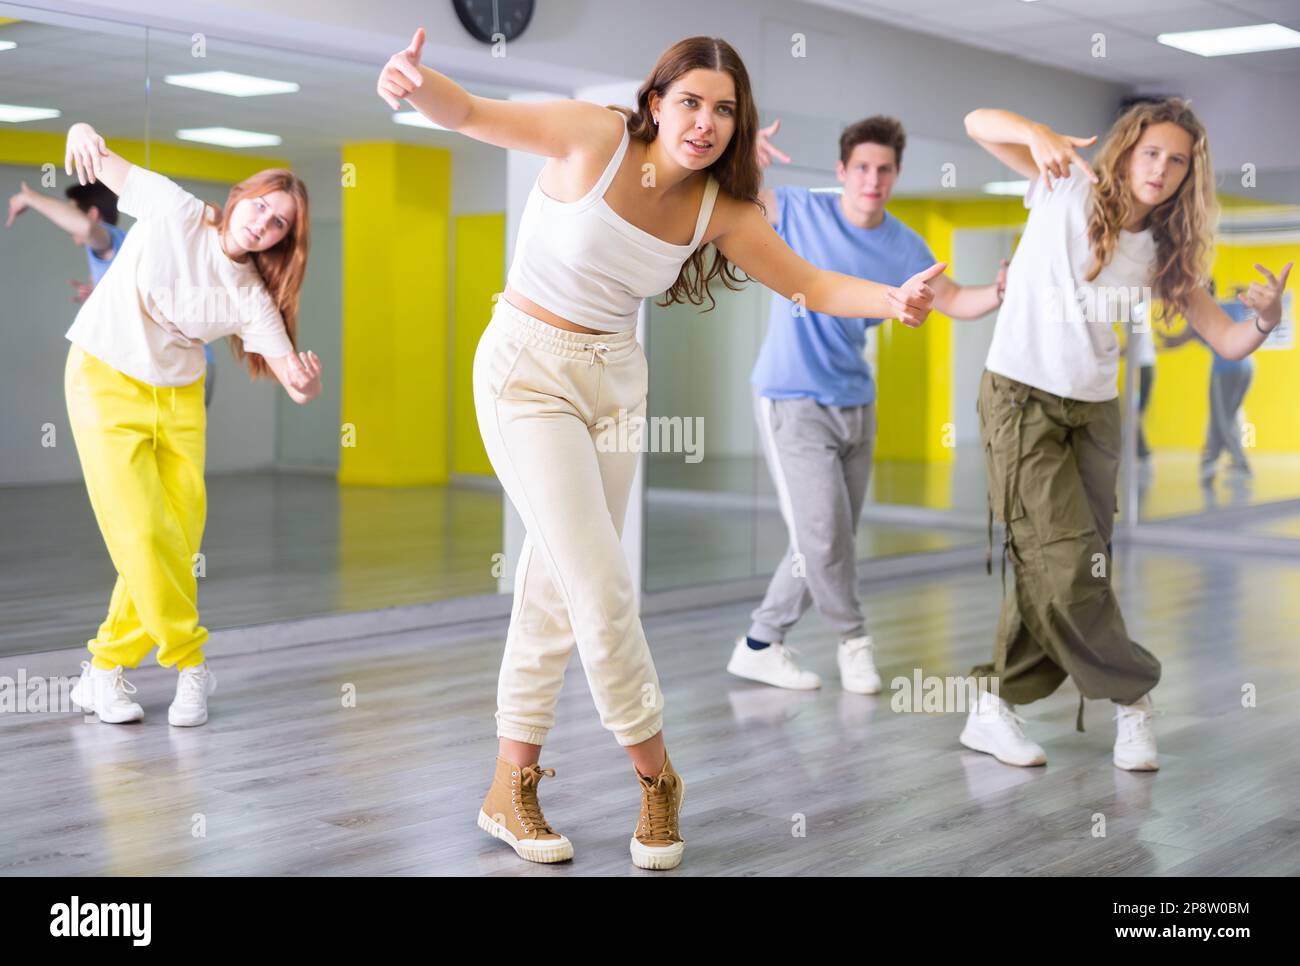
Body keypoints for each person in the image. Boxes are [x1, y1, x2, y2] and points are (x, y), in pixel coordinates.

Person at [377, 29, 944, 869]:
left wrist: (890, 298)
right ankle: (659, 776)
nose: (706, 121)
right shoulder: (591, 138)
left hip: (616, 382)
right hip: (526, 372)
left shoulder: (723, 210)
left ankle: (510, 786)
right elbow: (469, 112)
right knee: (601, 583)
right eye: (690, 101)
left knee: (556, 582)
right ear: (654, 102)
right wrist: (414, 83)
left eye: (724, 109)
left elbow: (811, 284)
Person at [959, 99, 1290, 771]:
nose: (1161, 169)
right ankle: (1133, 704)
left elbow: (1227, 339)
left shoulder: (1167, 250)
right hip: (1021, 398)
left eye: (1176, 161)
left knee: (1053, 562)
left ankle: (993, 711)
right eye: (1151, 153)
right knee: (1068, 560)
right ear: (1126, 150)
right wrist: (1037, 129)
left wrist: (1268, 321)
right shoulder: (1064, 182)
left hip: (1096, 411)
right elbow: (975, 123)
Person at [727, 115, 1008, 694]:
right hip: (792, 395)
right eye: (861, 168)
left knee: (827, 538)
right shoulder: (800, 210)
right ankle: (853, 640)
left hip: (856, 400)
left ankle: (759, 643)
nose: (872, 179)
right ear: (842, 171)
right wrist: (743, 148)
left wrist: (1000, 293)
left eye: (884, 170)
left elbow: (952, 299)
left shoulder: (903, 242)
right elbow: (732, 194)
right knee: (824, 536)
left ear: (896, 174)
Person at [60, 120, 323, 728]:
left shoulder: (253, 295)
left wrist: (305, 385)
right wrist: (78, 130)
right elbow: (102, 159)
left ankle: (103, 672)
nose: (263, 221)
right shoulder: (174, 208)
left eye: (278, 221)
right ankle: (190, 663)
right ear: (240, 198)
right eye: (261, 205)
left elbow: (292, 377)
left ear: (281, 239)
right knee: (141, 530)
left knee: (175, 538)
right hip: (103, 375)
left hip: (178, 398)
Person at [7, 179, 219, 407]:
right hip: (186, 363)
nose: (69, 227)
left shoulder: (109, 239)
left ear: (93, 214)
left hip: (176, 365)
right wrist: (100, 299)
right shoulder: (123, 246)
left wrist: (30, 198)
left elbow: (85, 228)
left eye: (71, 211)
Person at [1161, 280, 1257, 482]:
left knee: (1222, 418)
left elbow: (1176, 340)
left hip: (1225, 370)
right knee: (1224, 417)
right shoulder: (1228, 305)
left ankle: (1240, 464)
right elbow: (1249, 307)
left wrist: (1158, 339)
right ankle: (1210, 461)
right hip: (1246, 368)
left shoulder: (1201, 314)